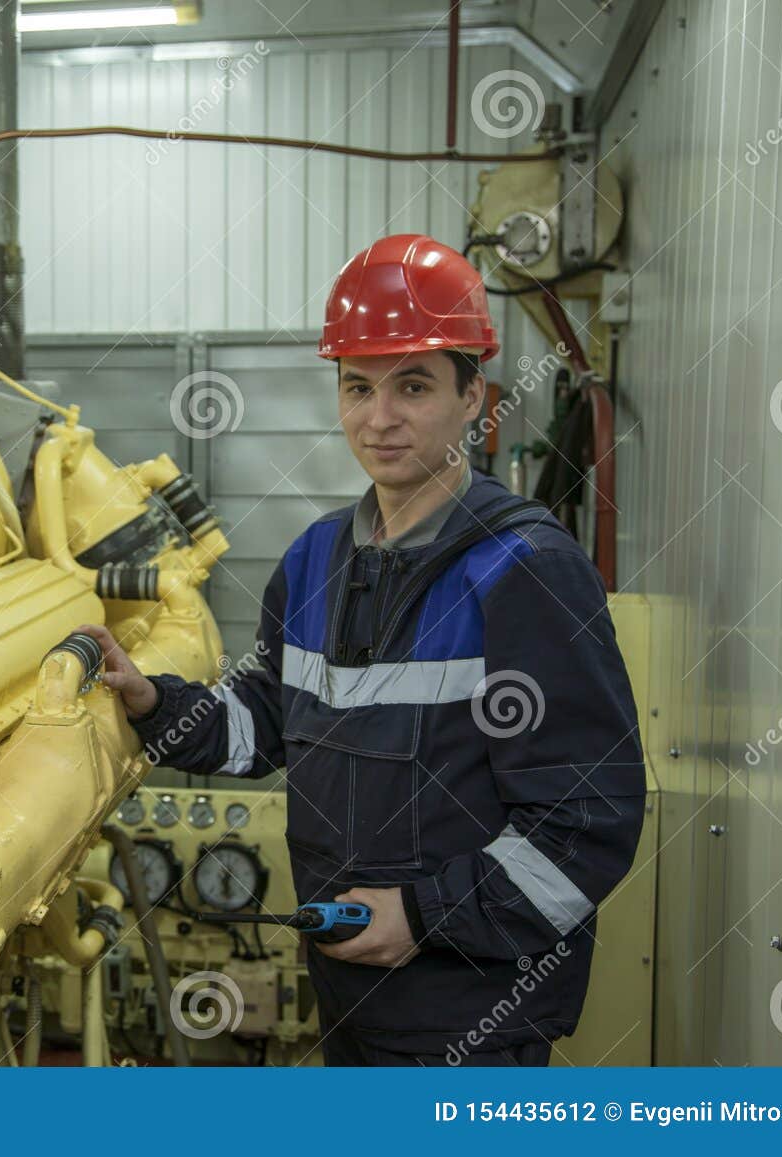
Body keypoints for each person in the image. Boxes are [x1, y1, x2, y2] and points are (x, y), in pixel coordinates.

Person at [78, 233, 645, 1067]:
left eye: (413, 386)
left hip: (473, 1022)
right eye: (359, 387)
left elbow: (587, 824)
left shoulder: (526, 572)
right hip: (347, 994)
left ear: (472, 395)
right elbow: (264, 721)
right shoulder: (315, 560)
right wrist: (152, 701)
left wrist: (422, 917)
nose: (380, 418)